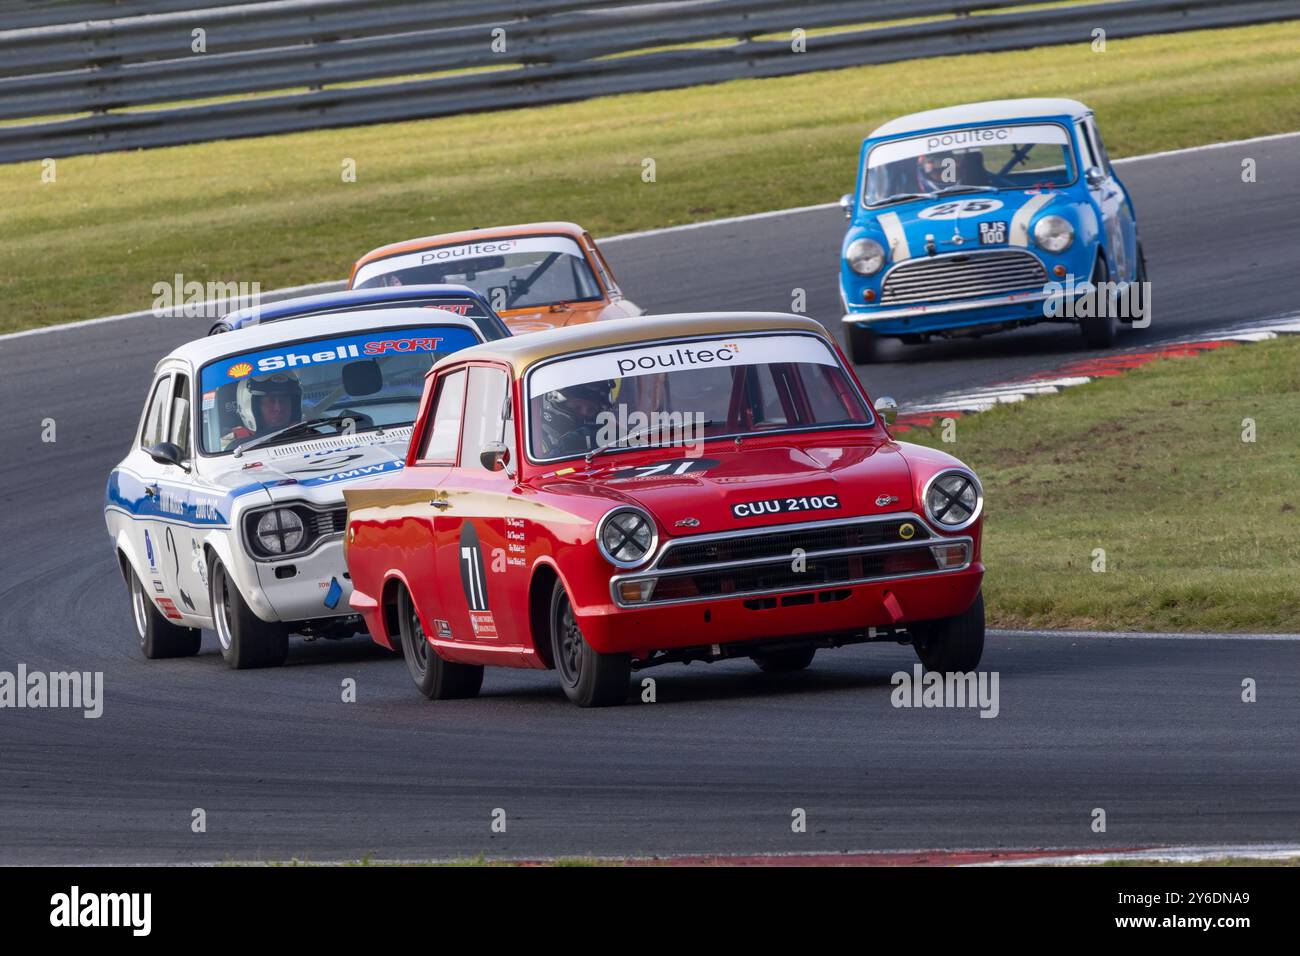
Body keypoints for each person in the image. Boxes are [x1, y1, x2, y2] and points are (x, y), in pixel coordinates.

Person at [222, 372, 303, 449]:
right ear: (251, 407)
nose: (278, 409)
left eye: (284, 400)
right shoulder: (233, 450)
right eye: (271, 401)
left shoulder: (309, 435)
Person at [539, 380, 616, 457]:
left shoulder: (616, 437)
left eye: (591, 409)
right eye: (576, 407)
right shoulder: (534, 444)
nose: (584, 414)